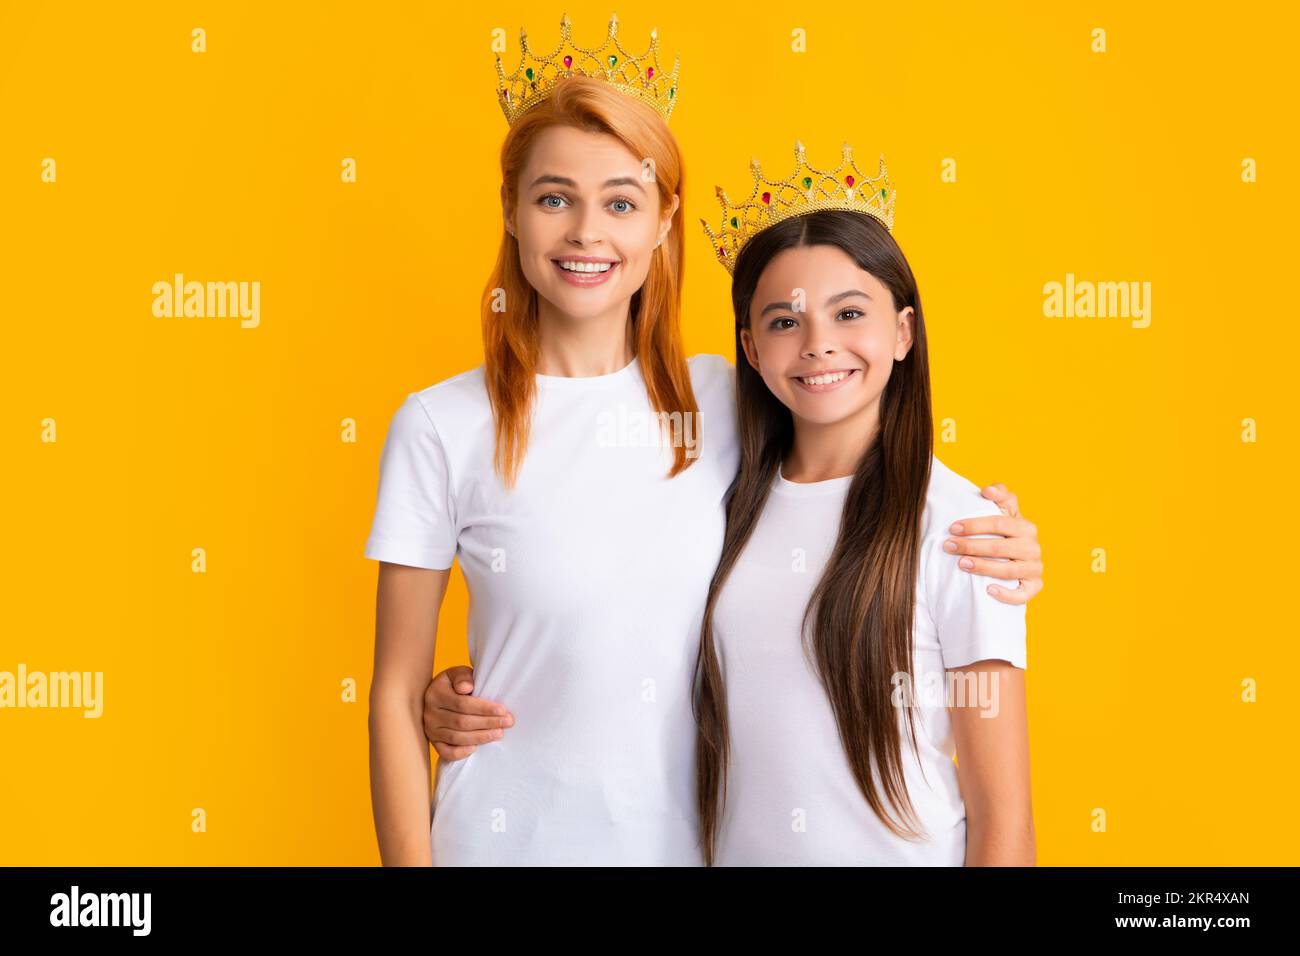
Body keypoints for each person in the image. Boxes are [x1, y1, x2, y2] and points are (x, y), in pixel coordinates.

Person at [370, 17, 1043, 866]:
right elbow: (397, 696)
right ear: (510, 209)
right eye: (552, 198)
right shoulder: (440, 426)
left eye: (620, 200)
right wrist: (441, 703)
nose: (585, 233)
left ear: (663, 220)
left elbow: (862, 470)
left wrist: (1004, 538)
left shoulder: (725, 403)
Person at [694, 143, 1033, 865]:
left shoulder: (962, 528)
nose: (819, 345)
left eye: (850, 313)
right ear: (751, 351)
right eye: (786, 323)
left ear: (903, 332)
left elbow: (1004, 817)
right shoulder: (718, 505)